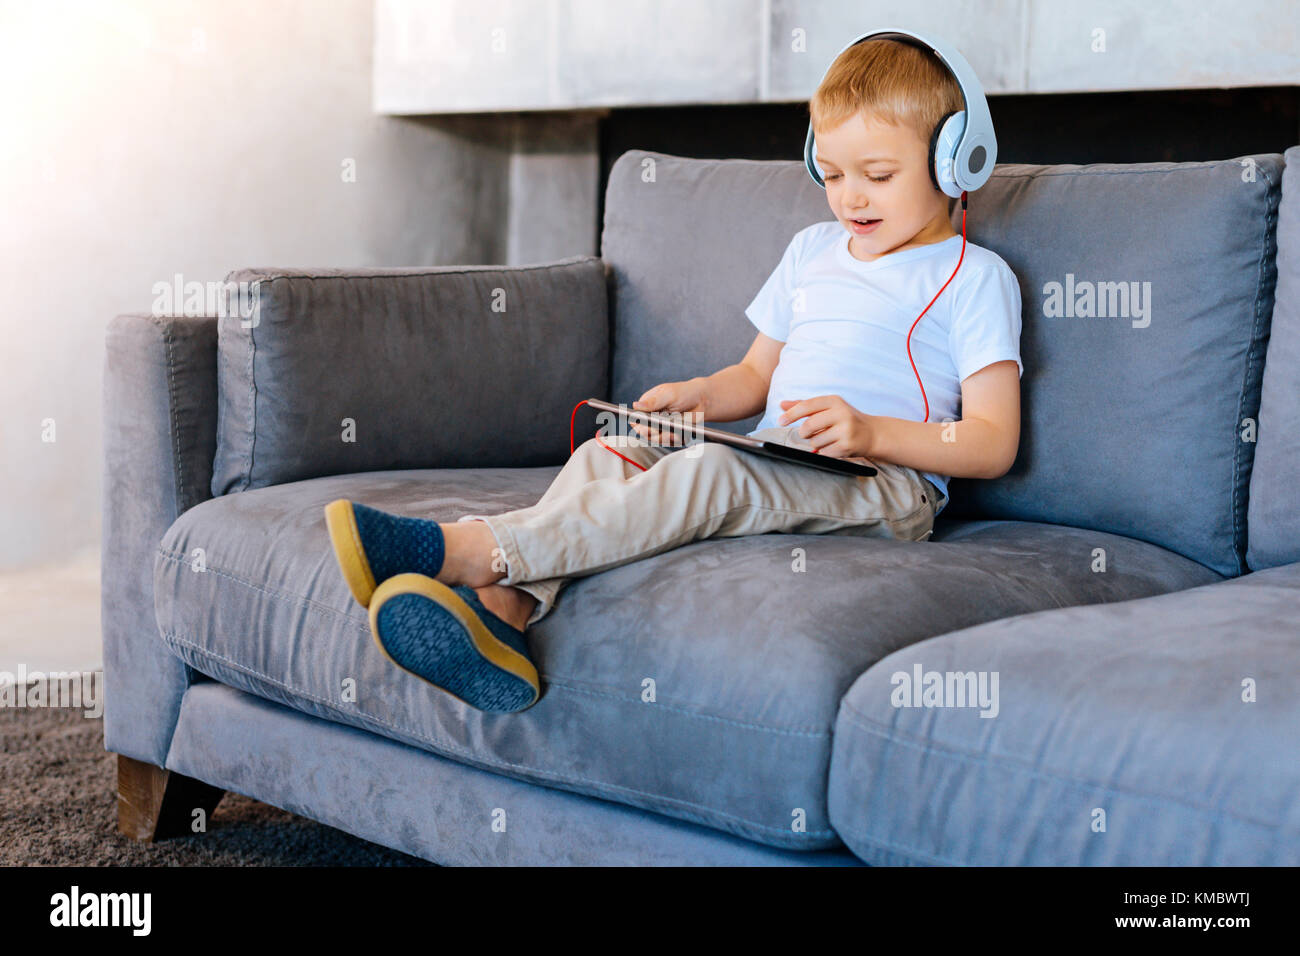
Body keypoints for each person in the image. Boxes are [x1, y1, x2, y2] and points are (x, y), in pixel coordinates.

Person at [324, 36, 1023, 714]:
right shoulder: (814, 250)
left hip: (886, 488)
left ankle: (469, 550)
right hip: (781, 455)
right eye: (833, 175)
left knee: (708, 476)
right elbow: (753, 377)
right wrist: (697, 399)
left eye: (878, 176)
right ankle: (506, 615)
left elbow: (993, 443)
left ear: (952, 161)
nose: (851, 200)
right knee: (614, 450)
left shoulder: (974, 279)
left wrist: (872, 432)